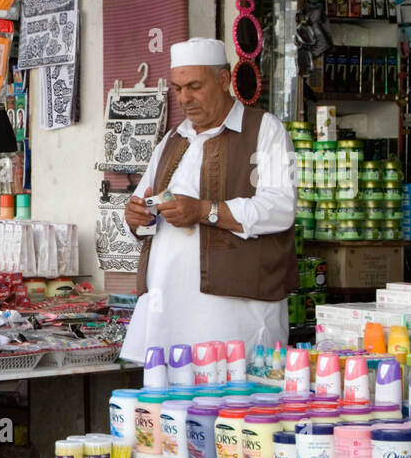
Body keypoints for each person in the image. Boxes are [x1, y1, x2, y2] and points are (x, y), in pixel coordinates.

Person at [120, 37, 297, 364]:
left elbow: (281, 209)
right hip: (169, 312)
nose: (185, 98)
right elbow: (142, 206)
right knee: (170, 407)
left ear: (223, 80)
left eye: (194, 86)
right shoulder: (172, 141)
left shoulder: (263, 130)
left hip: (234, 317)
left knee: (234, 406)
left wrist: (204, 210)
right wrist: (136, 217)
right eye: (177, 89)